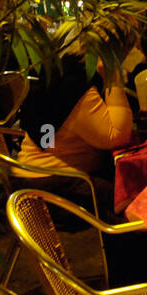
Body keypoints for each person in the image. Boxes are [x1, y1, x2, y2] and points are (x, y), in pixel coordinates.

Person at [15, 52, 132, 222]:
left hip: (31, 175)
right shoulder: (75, 85)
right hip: (50, 187)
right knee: (127, 193)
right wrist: (113, 81)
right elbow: (116, 135)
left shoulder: (60, 72)